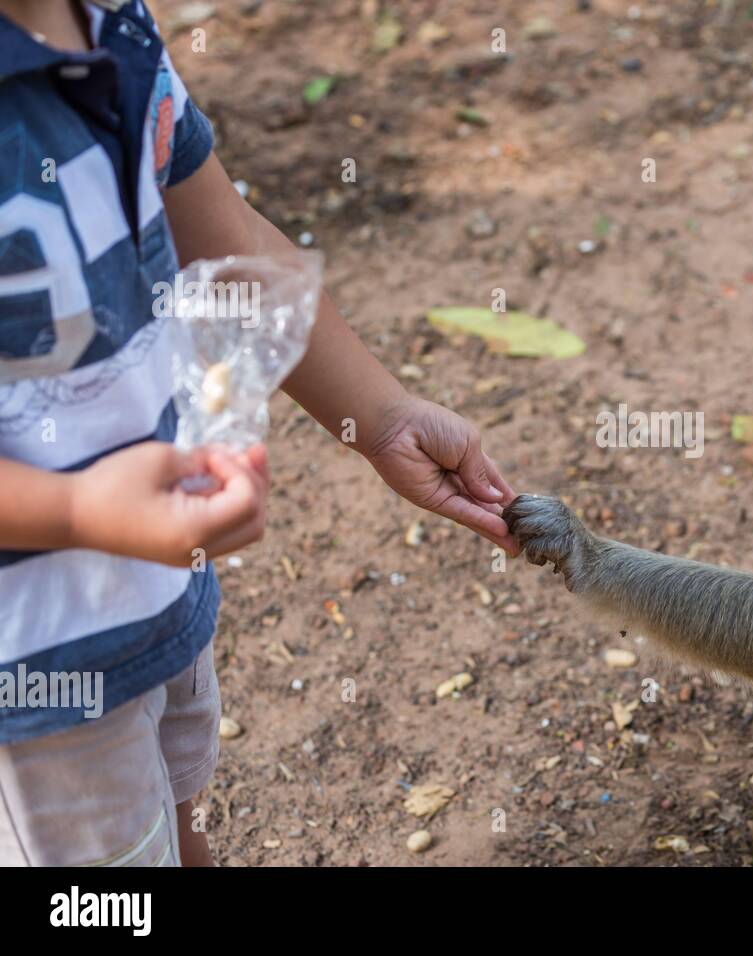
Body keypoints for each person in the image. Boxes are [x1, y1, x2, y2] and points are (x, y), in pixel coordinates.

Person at [0, 0, 515, 866]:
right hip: (38, 673)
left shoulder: (112, 24)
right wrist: (81, 510)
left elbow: (223, 244)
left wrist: (380, 415)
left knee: (177, 815)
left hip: (162, 594)